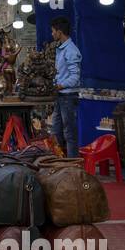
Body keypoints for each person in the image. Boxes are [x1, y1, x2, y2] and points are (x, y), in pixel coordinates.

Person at [50, 17, 82, 157]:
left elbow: (75, 77)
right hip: (60, 95)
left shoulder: (71, 50)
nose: (52, 34)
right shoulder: (61, 49)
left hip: (68, 96)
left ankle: (72, 163)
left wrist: (60, 85)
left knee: (69, 133)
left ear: (60, 32)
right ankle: (58, 160)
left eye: (53, 31)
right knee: (56, 131)